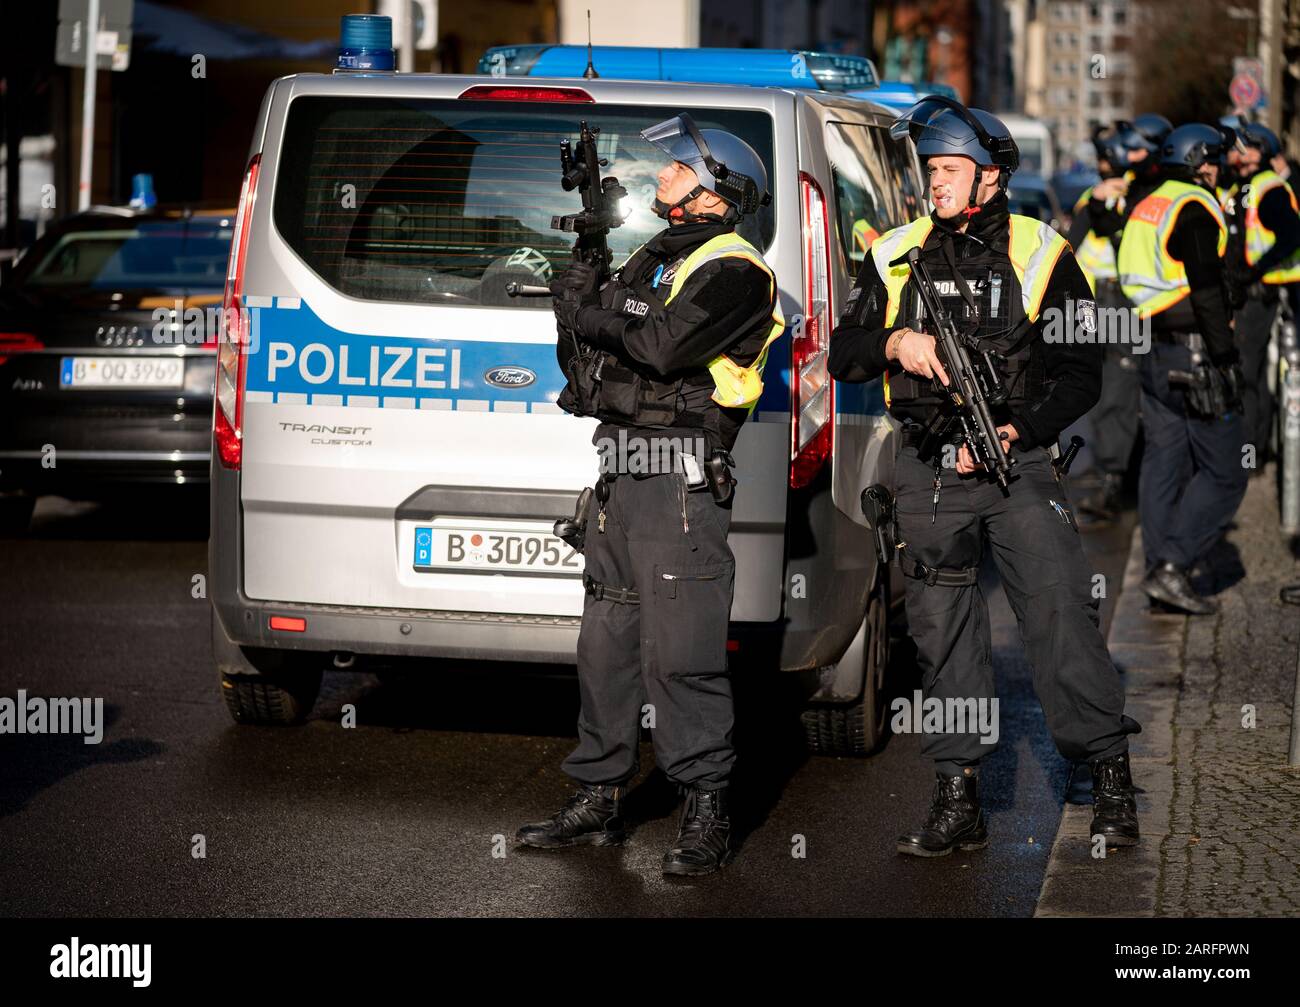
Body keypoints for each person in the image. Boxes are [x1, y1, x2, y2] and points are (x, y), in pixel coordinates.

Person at [829, 96, 1141, 858]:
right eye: (929, 169)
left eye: (947, 170)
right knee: (942, 638)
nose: (933, 182)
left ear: (990, 178)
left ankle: (1110, 778)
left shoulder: (1043, 251)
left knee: (1062, 616)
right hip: (927, 468)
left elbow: (1081, 375)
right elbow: (844, 353)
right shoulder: (894, 250)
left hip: (1019, 466)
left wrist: (1015, 428)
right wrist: (896, 340)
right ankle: (957, 794)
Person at [515, 114, 783, 877]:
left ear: (713, 191)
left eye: (676, 170)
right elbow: (583, 351)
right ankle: (598, 798)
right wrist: (587, 260)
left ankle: (705, 809)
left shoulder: (736, 270)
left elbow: (661, 344)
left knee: (683, 654)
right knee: (604, 648)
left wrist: (602, 313)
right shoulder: (652, 261)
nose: (660, 176)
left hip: (681, 483)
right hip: (620, 478)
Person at [1116, 123, 1249, 615]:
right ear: (1199, 162)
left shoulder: (1149, 203)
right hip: (1194, 354)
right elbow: (1208, 290)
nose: (1221, 169)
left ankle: (1158, 572)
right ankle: (1172, 567)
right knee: (1228, 471)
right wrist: (1226, 357)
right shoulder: (1194, 208)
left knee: (1163, 464)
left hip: (1152, 351)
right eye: (1215, 160)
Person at [1071, 126, 1142, 522]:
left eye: (1105, 158)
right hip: (1090, 300)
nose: (1101, 166)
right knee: (1092, 383)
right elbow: (1073, 239)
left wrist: (1103, 206)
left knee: (1118, 389)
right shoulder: (1092, 195)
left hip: (1119, 299)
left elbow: (1113, 235)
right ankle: (1105, 470)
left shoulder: (1132, 197)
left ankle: (1113, 480)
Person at [1223, 122, 1300, 462]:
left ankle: (1250, 452)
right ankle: (1250, 447)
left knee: (1248, 372)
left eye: (1241, 147)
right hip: (1244, 291)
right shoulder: (1245, 187)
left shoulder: (1270, 189)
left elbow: (1292, 235)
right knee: (1245, 370)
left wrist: (1256, 269)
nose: (1234, 153)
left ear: (1258, 152)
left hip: (1260, 293)